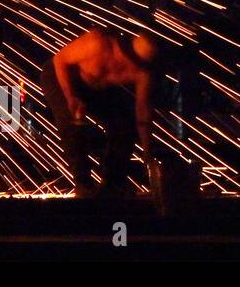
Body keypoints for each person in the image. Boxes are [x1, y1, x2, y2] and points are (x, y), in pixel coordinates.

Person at [40, 27, 163, 197]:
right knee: (72, 123)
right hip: (60, 75)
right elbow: (60, 60)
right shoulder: (98, 43)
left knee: (124, 123)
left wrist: (148, 150)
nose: (129, 67)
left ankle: (113, 182)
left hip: (94, 88)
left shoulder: (142, 72)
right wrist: (69, 97)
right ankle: (83, 183)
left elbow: (142, 114)